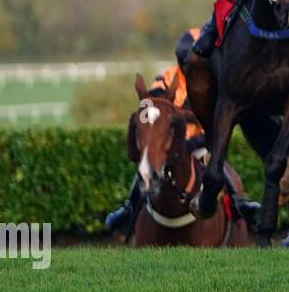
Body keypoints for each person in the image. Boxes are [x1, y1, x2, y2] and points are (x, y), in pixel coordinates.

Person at [105, 30, 260, 238]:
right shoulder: (167, 76)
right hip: (168, 142)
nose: (188, 67)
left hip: (201, 140)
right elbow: (155, 106)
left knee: (218, 168)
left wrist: (184, 118)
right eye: (184, 62)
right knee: (147, 168)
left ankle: (238, 203)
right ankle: (129, 209)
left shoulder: (216, 79)